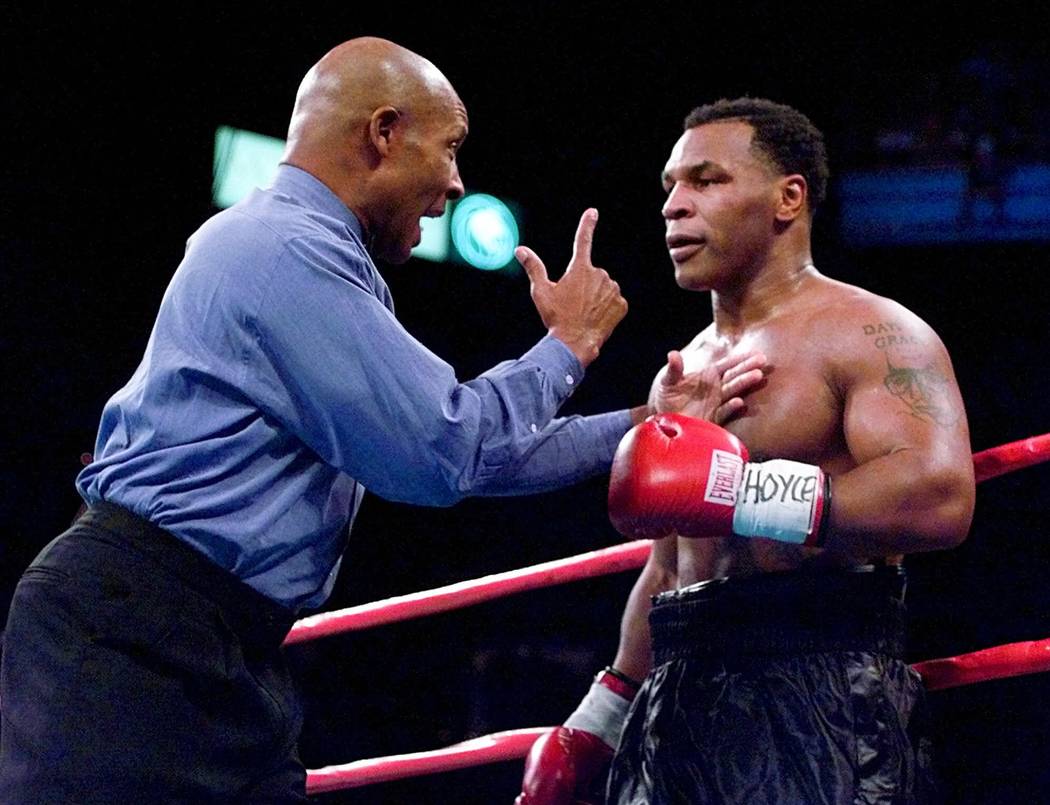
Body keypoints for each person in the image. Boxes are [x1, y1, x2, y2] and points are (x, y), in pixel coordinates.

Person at [0, 38, 763, 803]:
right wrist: (568, 347)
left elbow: (468, 453)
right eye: (452, 148)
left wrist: (644, 422)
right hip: (133, 633)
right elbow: (446, 449)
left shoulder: (315, 255)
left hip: (212, 641)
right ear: (385, 133)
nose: (457, 184)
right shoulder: (281, 250)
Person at [517, 97, 976, 804]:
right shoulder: (686, 367)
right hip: (677, 697)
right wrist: (599, 719)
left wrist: (740, 492)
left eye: (706, 180)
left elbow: (939, 495)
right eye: (670, 186)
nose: (674, 206)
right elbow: (671, 566)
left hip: (819, 687)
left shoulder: (873, 331)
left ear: (788, 197)